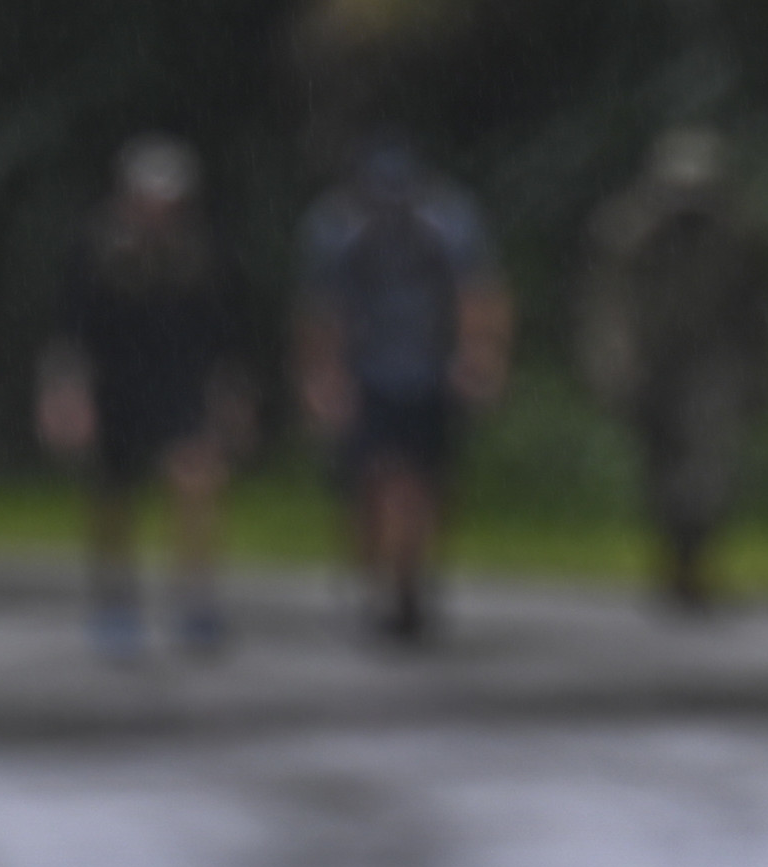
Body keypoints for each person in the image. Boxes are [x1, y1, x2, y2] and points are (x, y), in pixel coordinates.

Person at [33, 135, 248, 660]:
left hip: (181, 380)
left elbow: (225, 329)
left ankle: (196, 598)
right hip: (114, 383)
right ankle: (116, 600)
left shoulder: (201, 251)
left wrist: (231, 393)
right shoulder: (96, 248)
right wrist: (66, 394)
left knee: (196, 481)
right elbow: (70, 327)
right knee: (113, 497)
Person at [297, 135, 510, 645]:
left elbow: (477, 293)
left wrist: (479, 358)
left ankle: (410, 580)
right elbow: (322, 311)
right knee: (374, 480)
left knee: (424, 479)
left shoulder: (449, 221)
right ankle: (380, 580)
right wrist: (324, 378)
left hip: (429, 369)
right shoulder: (336, 226)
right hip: (367, 371)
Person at [582, 127, 768, 609]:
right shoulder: (627, 231)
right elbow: (610, 307)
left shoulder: (737, 233)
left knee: (708, 464)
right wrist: (615, 365)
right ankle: (675, 557)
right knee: (661, 466)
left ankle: (699, 559)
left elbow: (753, 311)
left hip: (712, 360)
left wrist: (754, 371)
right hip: (652, 359)